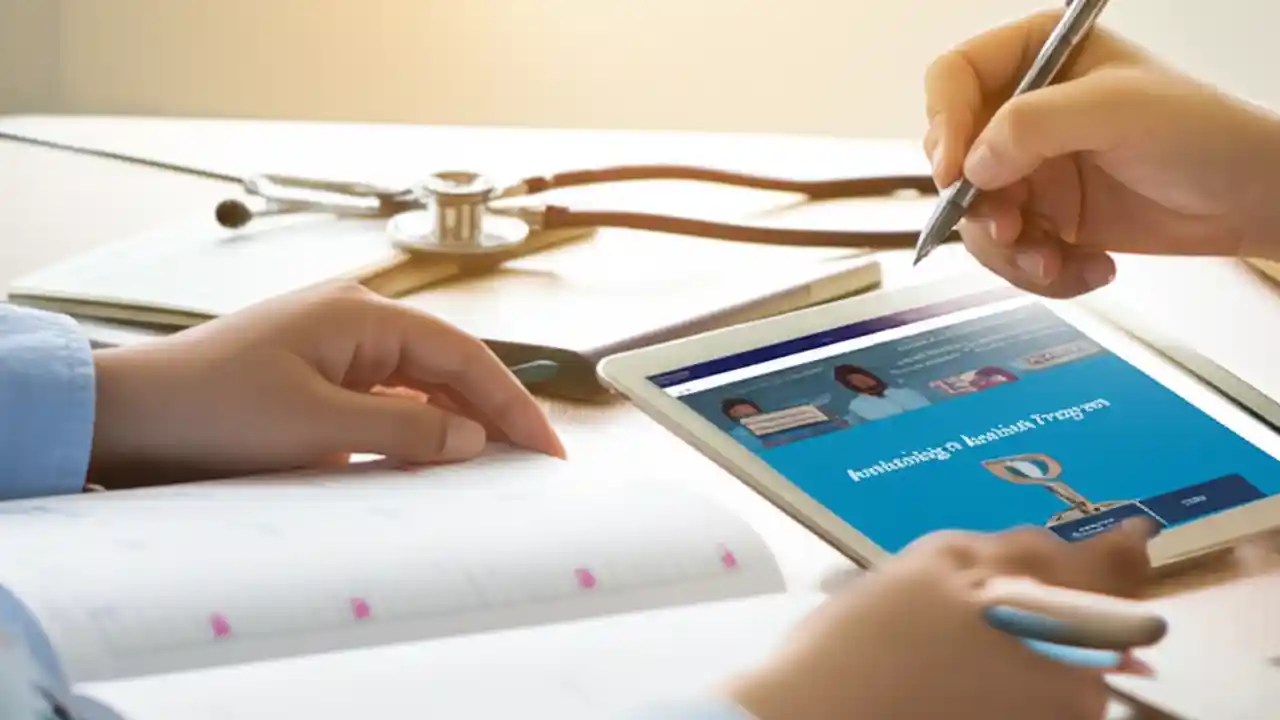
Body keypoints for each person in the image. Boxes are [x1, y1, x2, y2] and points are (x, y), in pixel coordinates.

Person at [834, 364, 931, 421]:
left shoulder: (903, 390)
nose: (863, 381)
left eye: (862, 376)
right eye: (854, 380)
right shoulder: (858, 404)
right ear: (851, 386)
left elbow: (926, 410)